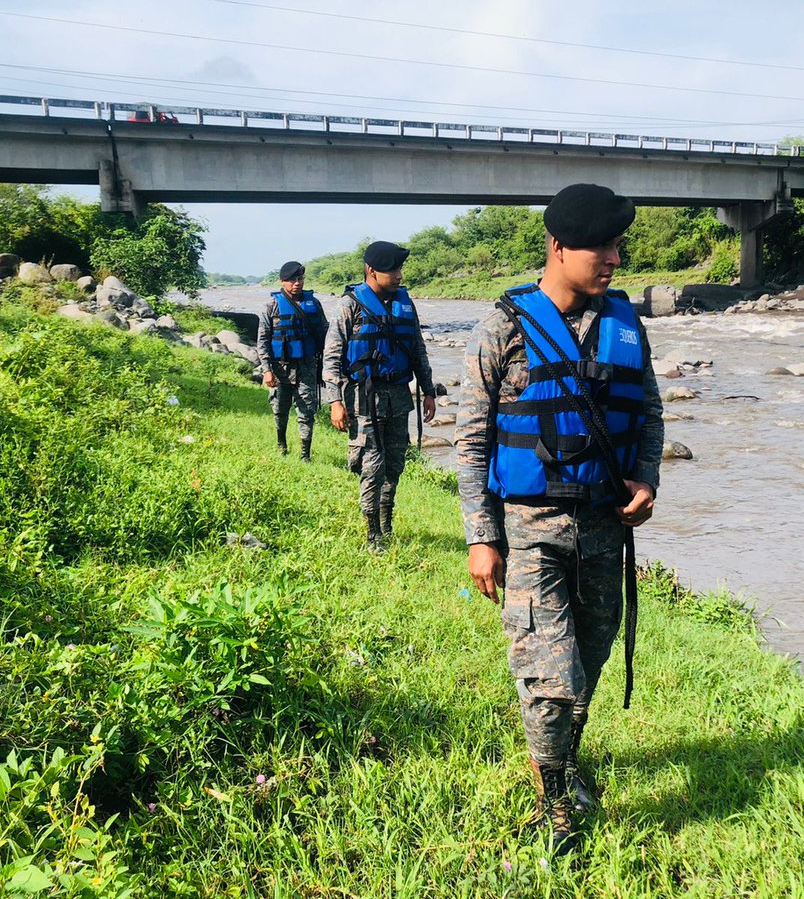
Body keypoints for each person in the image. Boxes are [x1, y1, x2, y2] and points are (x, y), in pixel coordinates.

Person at [454, 183, 664, 853]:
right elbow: (473, 438)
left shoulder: (625, 325)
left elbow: (651, 415)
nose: (613, 258)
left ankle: (564, 762)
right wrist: (481, 536)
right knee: (551, 674)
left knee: (590, 663)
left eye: (617, 244)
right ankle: (555, 809)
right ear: (557, 247)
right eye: (600, 246)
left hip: (605, 527)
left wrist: (647, 481)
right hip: (530, 530)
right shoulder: (503, 328)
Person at [323, 240, 436, 553]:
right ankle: (373, 535)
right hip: (364, 400)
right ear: (372, 271)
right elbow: (332, 356)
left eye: (400, 269)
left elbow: (417, 348)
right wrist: (335, 401)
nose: (399, 275)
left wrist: (428, 390)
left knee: (395, 465)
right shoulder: (350, 305)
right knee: (371, 466)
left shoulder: (405, 302)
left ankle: (387, 526)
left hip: (399, 397)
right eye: (393, 270)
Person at [257, 261, 328, 462]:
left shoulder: (313, 304)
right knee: (279, 409)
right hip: (280, 367)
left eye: (300, 279)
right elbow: (262, 340)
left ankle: (305, 455)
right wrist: (266, 370)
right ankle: (281, 444)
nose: (297, 283)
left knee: (307, 410)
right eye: (292, 280)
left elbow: (324, 333)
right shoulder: (271, 306)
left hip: (307, 366)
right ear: (282, 281)